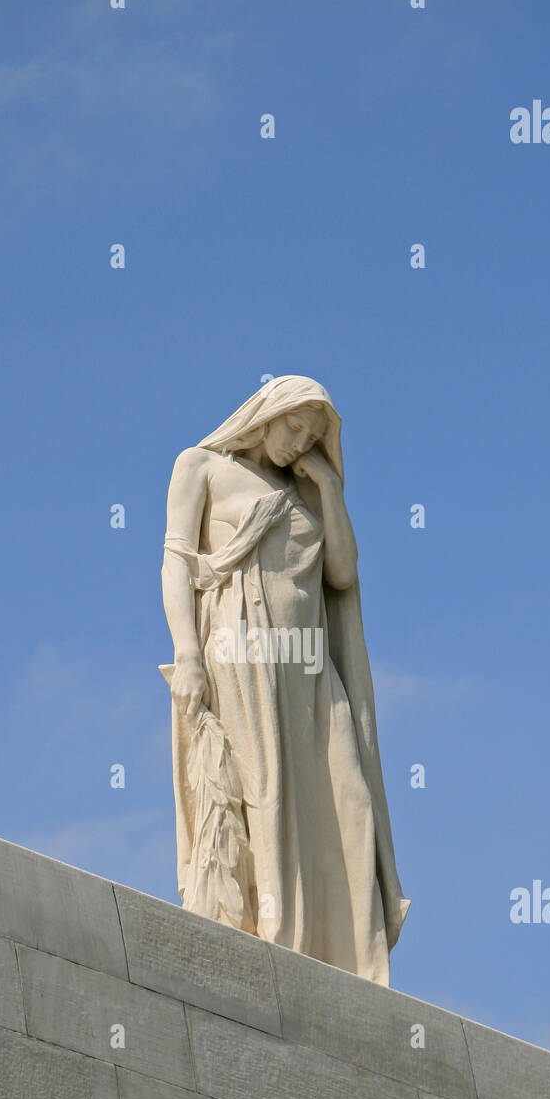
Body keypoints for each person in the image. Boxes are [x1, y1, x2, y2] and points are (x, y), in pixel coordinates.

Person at [160, 375, 408, 984]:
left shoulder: (306, 494)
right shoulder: (202, 466)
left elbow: (343, 576)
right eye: (294, 426)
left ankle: (346, 955)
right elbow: (175, 561)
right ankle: (273, 941)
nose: (299, 443)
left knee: (348, 797)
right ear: (266, 413)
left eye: (313, 437)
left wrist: (327, 485)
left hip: (311, 670)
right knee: (263, 792)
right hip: (241, 654)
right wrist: (187, 653)